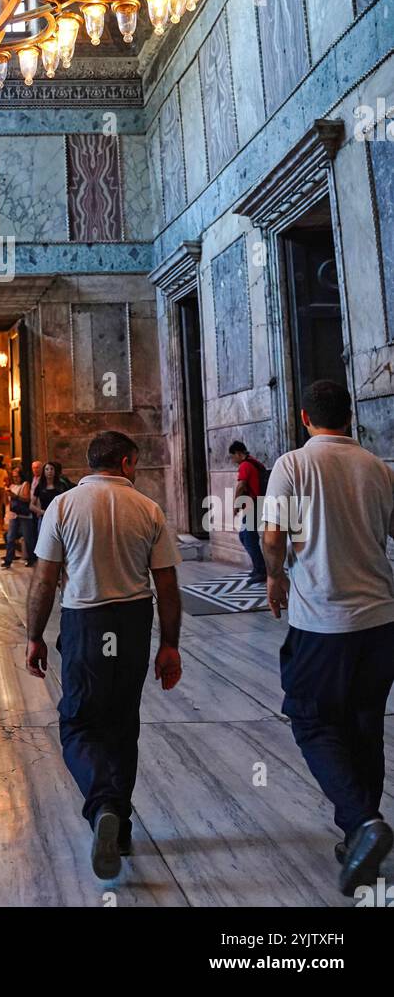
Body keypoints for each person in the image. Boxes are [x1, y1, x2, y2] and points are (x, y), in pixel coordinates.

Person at [26, 430, 182, 882]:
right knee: (121, 724)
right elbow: (167, 585)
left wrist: (34, 635)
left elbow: (43, 580)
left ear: (91, 462)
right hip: (132, 623)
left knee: (78, 723)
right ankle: (122, 828)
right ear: (129, 462)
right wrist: (169, 644)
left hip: (86, 624)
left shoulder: (64, 505)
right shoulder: (148, 509)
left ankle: (103, 810)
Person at [262, 380, 394, 896]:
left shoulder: (293, 465)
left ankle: (364, 822)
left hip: (323, 622)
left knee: (311, 718)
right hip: (381, 622)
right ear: (350, 416)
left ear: (303, 417)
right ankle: (355, 835)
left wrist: (275, 575)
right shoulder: (379, 468)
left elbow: (273, 536)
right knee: (363, 723)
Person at [229, 439, 267, 584]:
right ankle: (259, 568)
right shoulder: (255, 463)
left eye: (233, 457)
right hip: (258, 504)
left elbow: (241, 486)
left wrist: (235, 505)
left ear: (238, 454)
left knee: (249, 539)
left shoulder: (245, 465)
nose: (233, 460)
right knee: (245, 537)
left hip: (253, 505)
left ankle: (261, 570)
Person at [1, 462, 36, 567]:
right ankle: (8, 559)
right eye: (13, 477)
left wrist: (14, 496)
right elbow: (7, 502)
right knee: (10, 537)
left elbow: (26, 499)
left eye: (17, 476)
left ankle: (31, 558)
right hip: (13, 515)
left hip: (24, 515)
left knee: (28, 537)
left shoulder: (25, 484)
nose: (15, 479)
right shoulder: (11, 486)